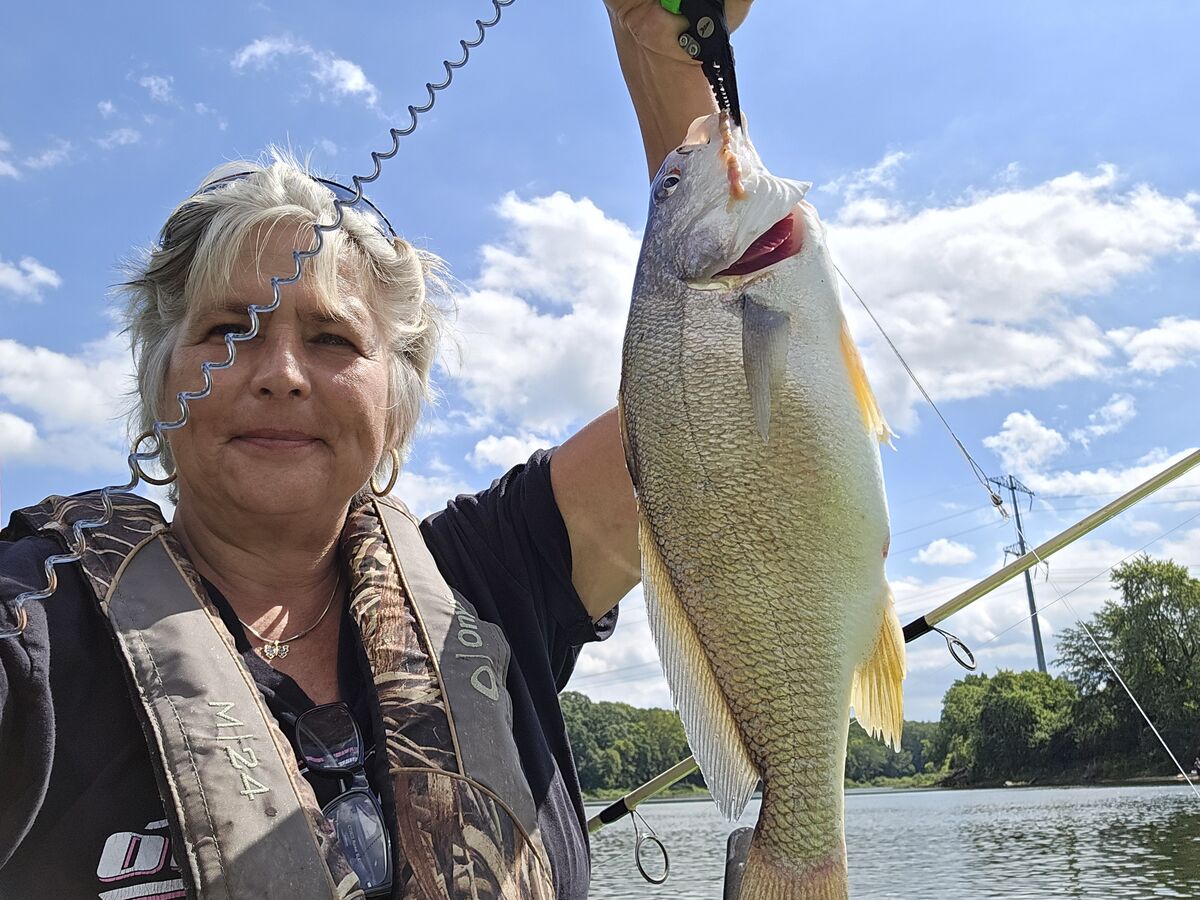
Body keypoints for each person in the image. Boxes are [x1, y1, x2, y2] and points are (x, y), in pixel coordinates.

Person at [0, 1, 753, 897]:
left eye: (332, 340)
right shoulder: (34, 629)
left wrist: (661, 50)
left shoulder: (491, 576)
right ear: (161, 383)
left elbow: (731, 399)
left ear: (398, 404)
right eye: (228, 330)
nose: (280, 372)